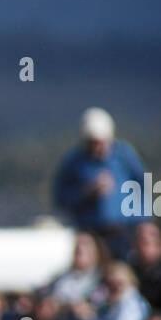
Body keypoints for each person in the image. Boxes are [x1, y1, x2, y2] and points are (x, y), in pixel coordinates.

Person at [51, 108, 145, 260]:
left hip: (123, 232)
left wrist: (141, 222)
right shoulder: (74, 161)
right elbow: (60, 196)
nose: (97, 147)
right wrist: (85, 192)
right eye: (92, 143)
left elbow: (141, 186)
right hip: (91, 233)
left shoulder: (124, 156)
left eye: (100, 142)